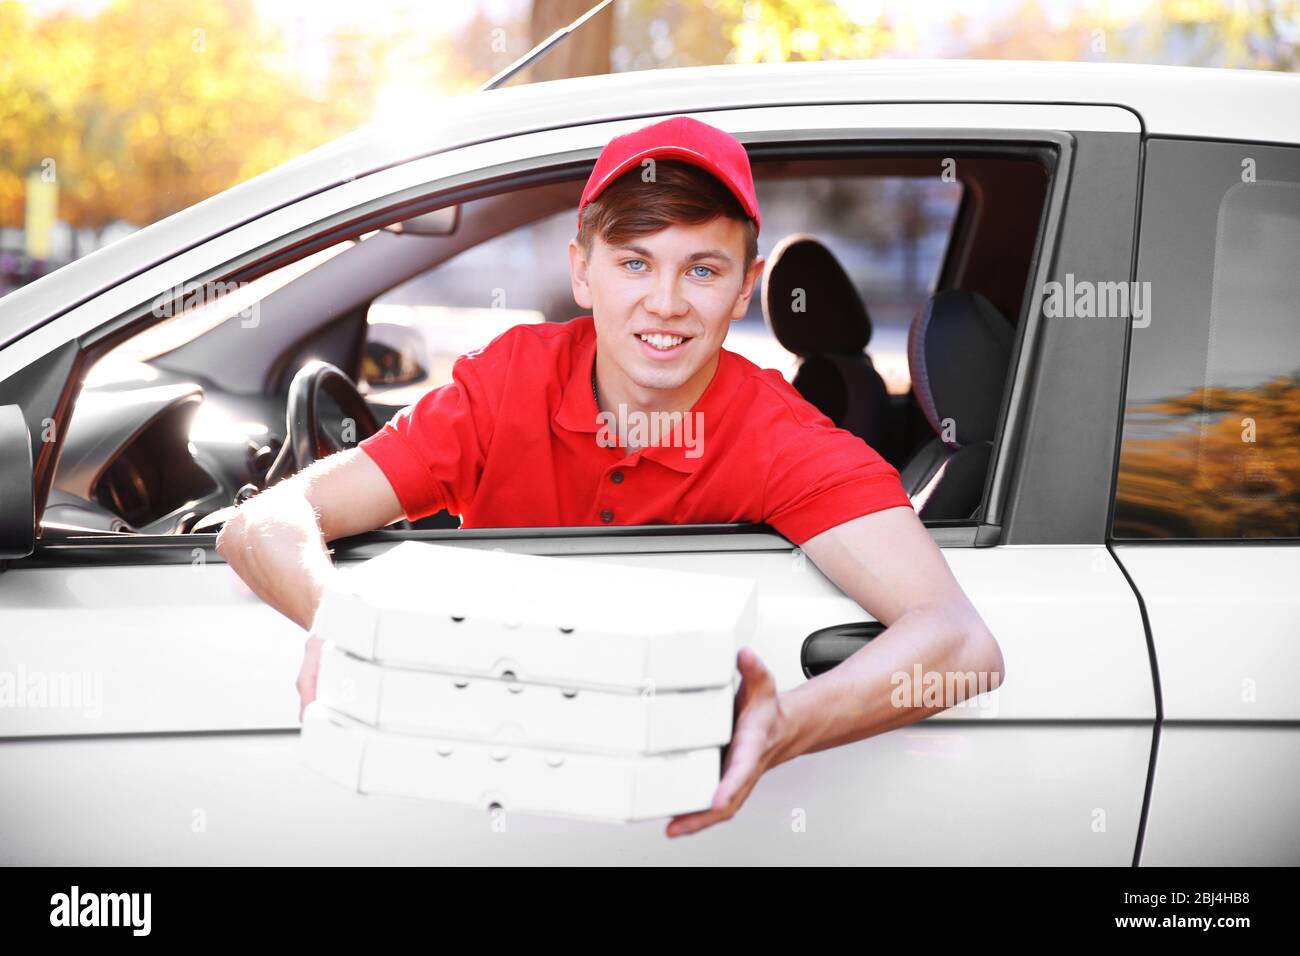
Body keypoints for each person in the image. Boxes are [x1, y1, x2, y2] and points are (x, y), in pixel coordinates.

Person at [216, 115, 1004, 838]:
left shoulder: (777, 436)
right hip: (471, 811)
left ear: (743, 288)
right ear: (583, 271)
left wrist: (785, 727)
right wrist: (349, 633)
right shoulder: (507, 385)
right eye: (634, 263)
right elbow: (264, 522)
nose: (665, 304)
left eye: (702, 270)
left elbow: (961, 643)